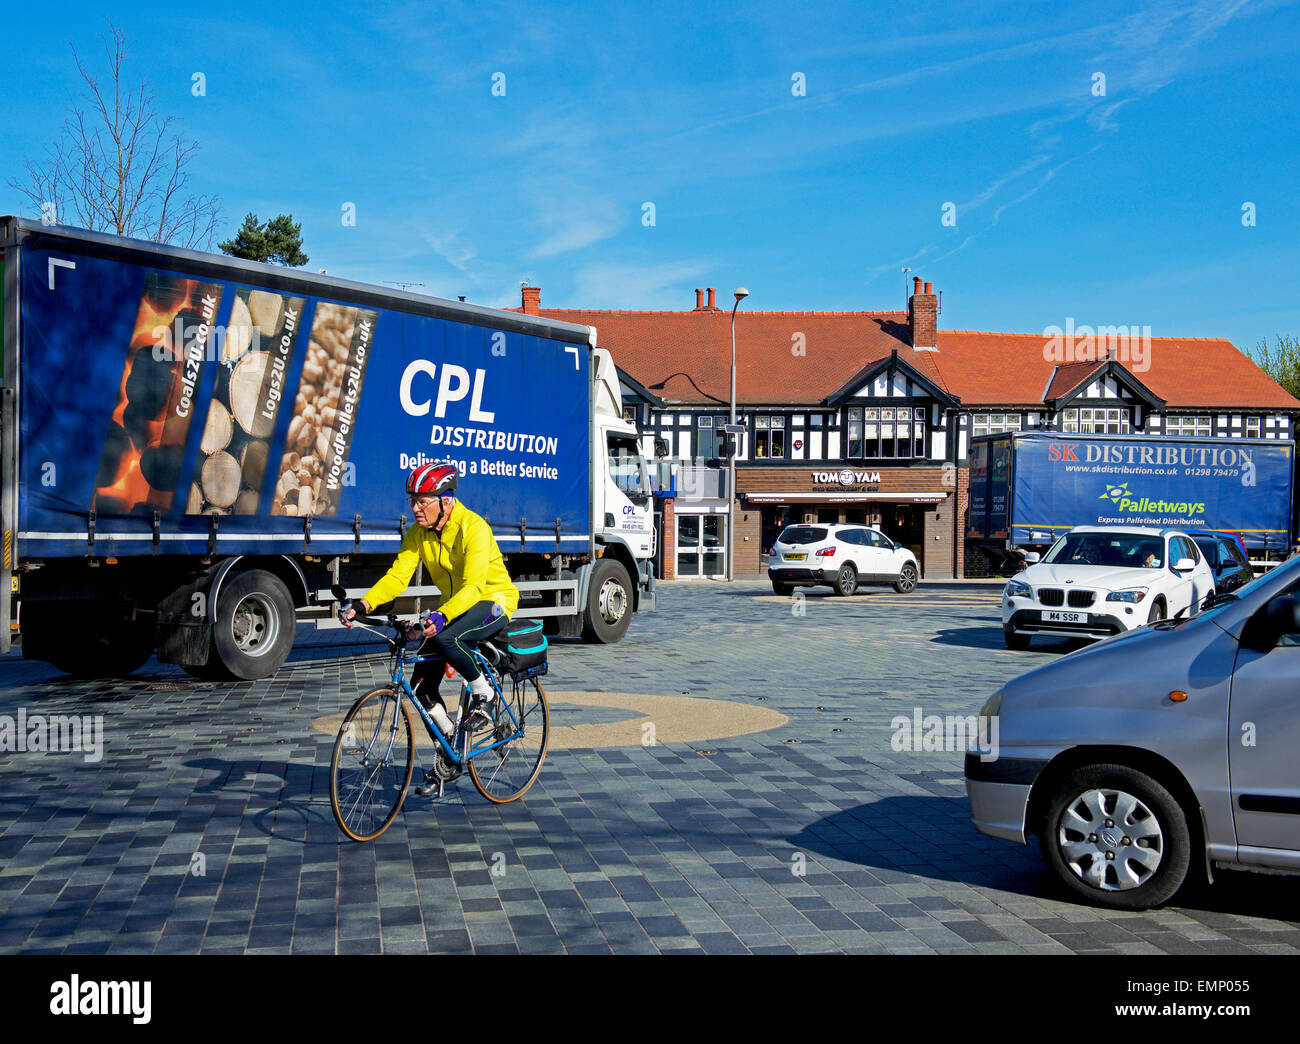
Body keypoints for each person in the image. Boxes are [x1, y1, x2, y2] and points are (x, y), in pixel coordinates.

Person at [344, 460, 519, 740]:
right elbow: (397, 577)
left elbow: (474, 587)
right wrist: (363, 604)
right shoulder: (417, 533)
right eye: (412, 501)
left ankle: (484, 693)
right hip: (454, 606)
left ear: (446, 501)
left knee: (447, 638)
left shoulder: (473, 527)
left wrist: (442, 616)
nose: (415, 509)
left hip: (492, 600)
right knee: (420, 688)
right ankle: (447, 745)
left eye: (423, 502)